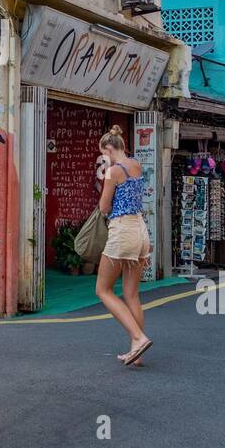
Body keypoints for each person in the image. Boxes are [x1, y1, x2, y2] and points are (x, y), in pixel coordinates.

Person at [94, 125, 153, 366]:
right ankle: (137, 351)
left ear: (109, 148)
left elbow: (104, 207)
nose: (103, 158)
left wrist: (107, 174)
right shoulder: (136, 165)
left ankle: (138, 338)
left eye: (103, 154)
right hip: (141, 231)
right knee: (131, 294)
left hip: (123, 231)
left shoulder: (113, 172)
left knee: (103, 290)